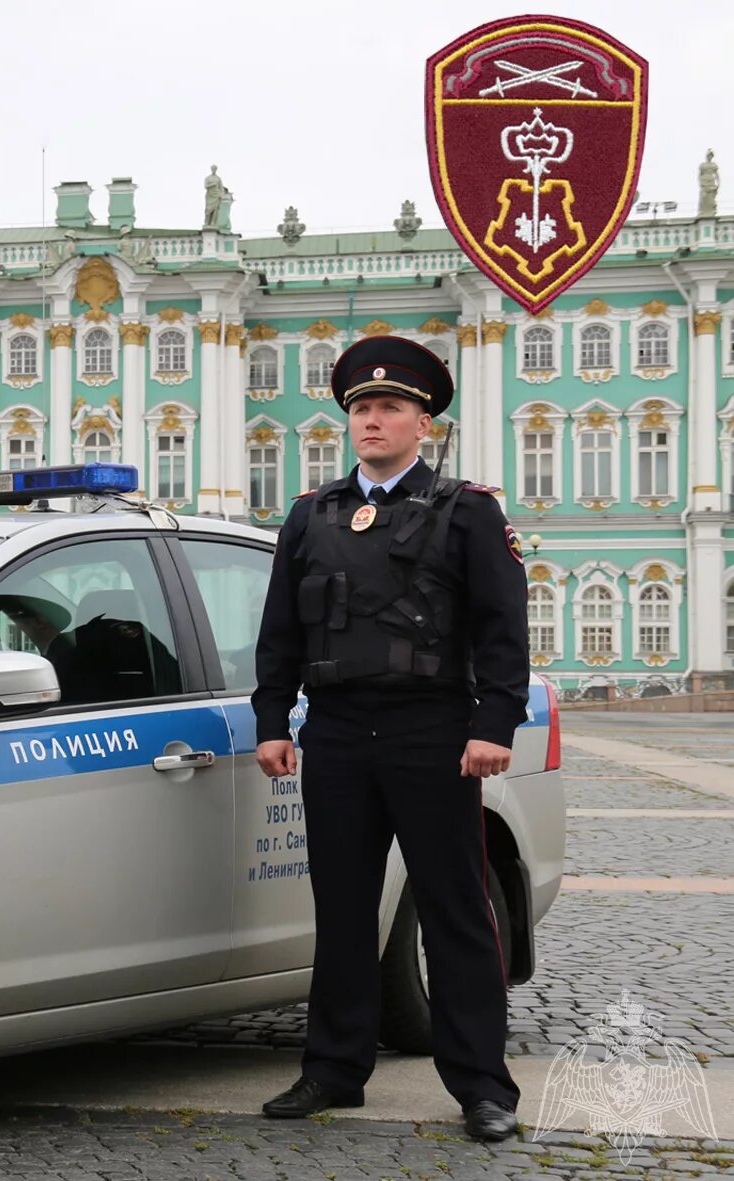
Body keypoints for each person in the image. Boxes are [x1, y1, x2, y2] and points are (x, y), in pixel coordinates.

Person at [251, 337, 527, 1144]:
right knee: (340, 908)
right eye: (361, 409)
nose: (373, 420)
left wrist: (492, 726)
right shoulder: (312, 514)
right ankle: (334, 1069)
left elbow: (502, 631)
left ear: (422, 420)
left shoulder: (468, 510)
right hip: (336, 732)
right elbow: (279, 635)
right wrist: (274, 721)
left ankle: (482, 1085)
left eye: (390, 407)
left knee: (454, 909)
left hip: (432, 731)